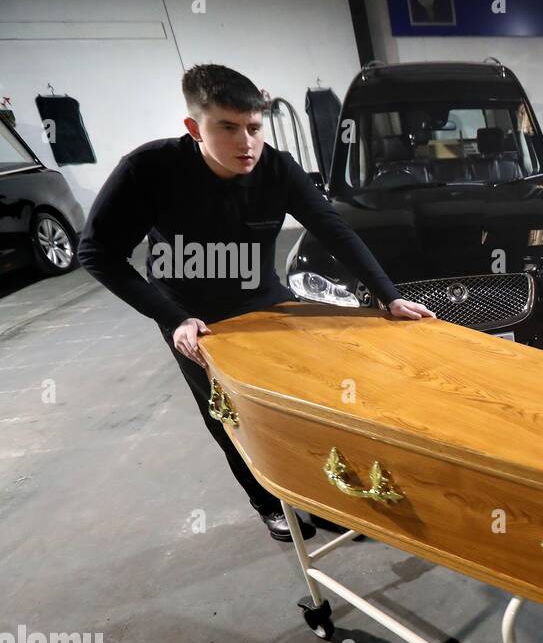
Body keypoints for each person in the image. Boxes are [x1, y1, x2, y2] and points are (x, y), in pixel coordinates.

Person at [78, 64, 434, 541]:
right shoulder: (149, 170)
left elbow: (334, 229)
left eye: (253, 127)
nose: (245, 143)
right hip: (192, 316)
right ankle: (267, 502)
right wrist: (172, 316)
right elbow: (96, 251)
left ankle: (321, 495)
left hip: (267, 303)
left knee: (305, 401)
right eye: (227, 128)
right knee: (229, 414)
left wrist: (389, 297)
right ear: (193, 128)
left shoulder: (276, 168)